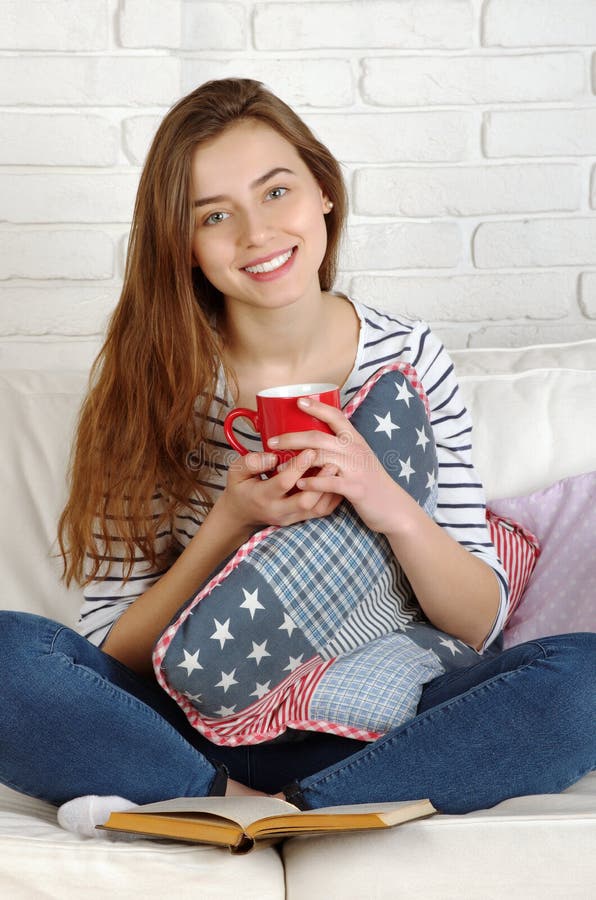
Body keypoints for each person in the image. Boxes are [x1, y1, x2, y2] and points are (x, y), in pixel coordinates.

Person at [1, 79, 593, 837]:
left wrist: (386, 501)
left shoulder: (408, 360)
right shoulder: (149, 388)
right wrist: (228, 524)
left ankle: (277, 811)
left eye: (275, 191)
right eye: (215, 215)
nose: (255, 233)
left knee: (584, 678)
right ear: (182, 246)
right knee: (9, 655)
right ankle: (243, 802)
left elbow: (481, 626)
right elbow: (112, 649)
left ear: (322, 192)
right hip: (193, 718)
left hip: (393, 717)